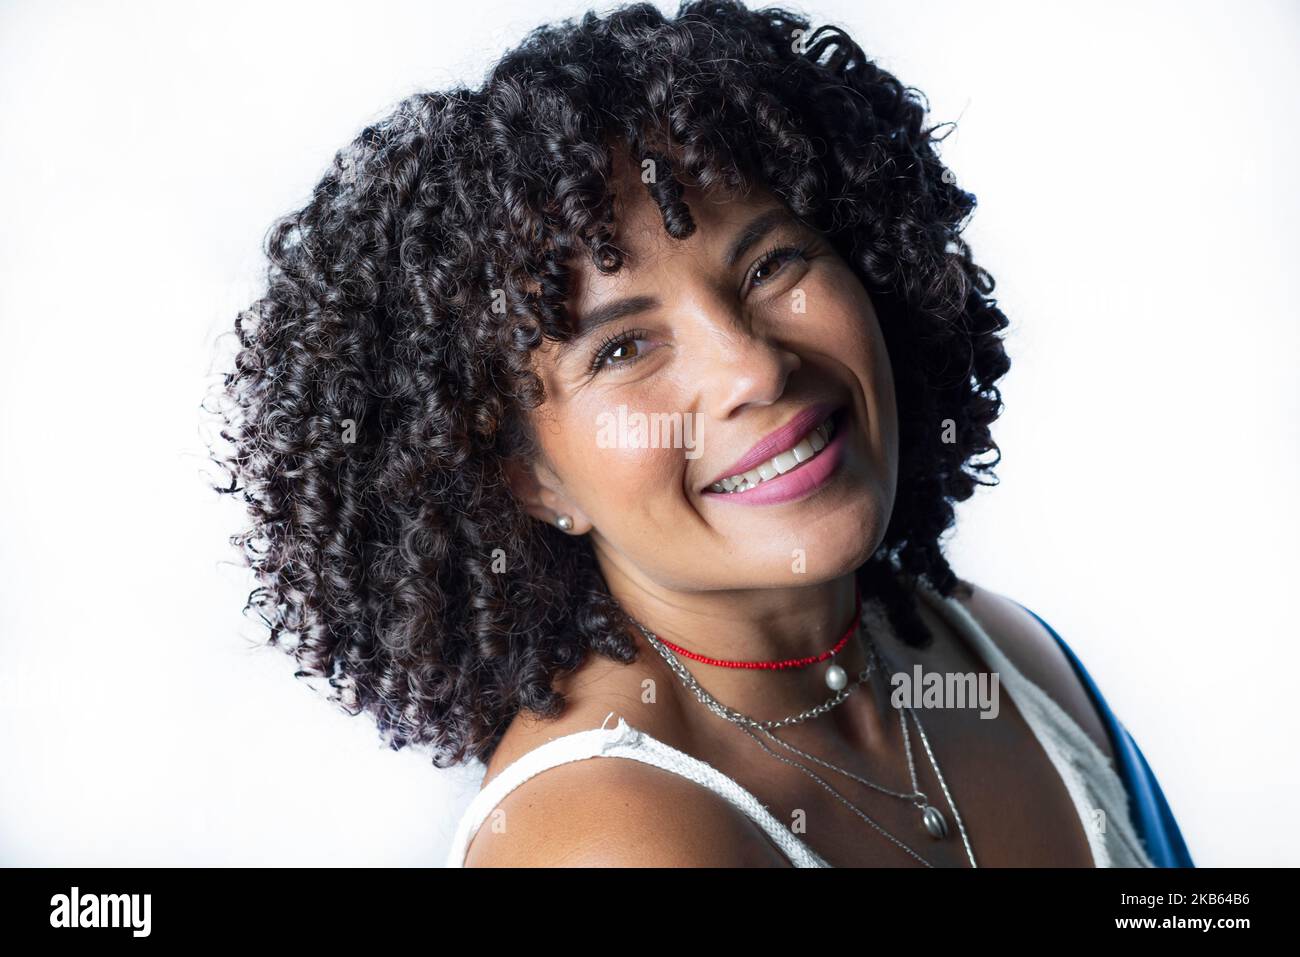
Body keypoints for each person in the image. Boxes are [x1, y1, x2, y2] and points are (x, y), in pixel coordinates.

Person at [209, 0, 1192, 868]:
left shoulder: (1004, 660)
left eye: (769, 266)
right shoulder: (607, 840)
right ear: (522, 478)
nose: (754, 369)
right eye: (624, 347)